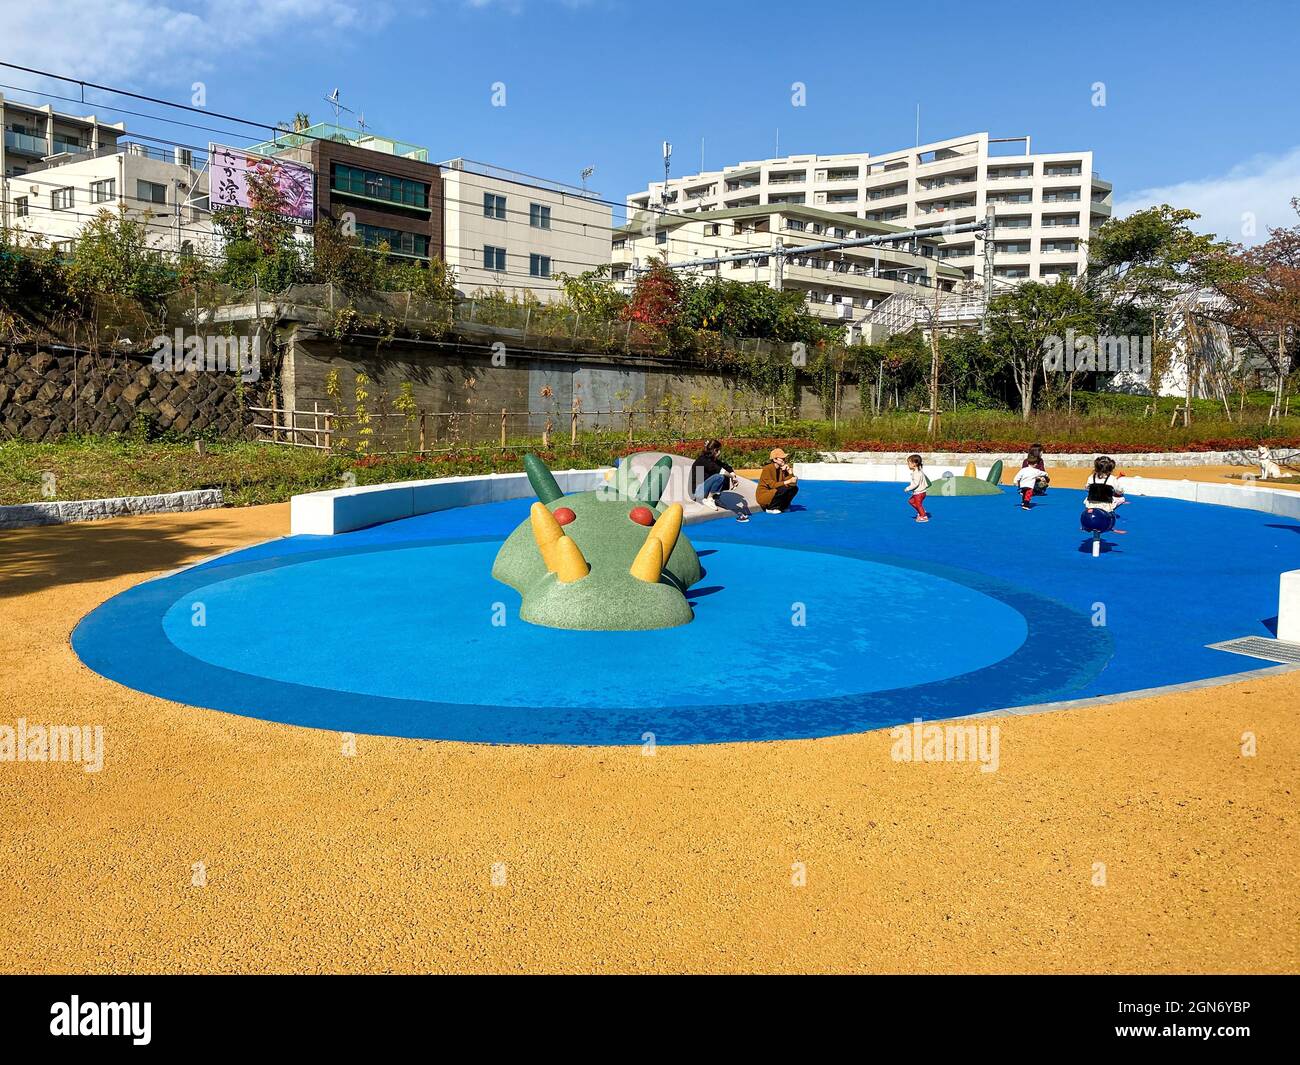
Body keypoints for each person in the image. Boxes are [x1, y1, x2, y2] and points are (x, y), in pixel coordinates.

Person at [690, 438, 750, 521]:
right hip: (697, 492)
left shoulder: (711, 459)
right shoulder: (703, 460)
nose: (720, 452)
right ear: (715, 450)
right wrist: (733, 478)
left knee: (725, 475)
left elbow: (726, 466)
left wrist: (733, 475)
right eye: (719, 450)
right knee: (720, 476)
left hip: (703, 488)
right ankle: (709, 499)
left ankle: (716, 497)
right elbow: (721, 471)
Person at [757, 447, 799, 513]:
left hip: (775, 491)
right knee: (784, 488)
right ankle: (770, 508)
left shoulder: (782, 468)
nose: (784, 460)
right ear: (775, 459)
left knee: (794, 488)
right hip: (765, 495)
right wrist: (788, 481)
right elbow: (772, 485)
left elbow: (793, 483)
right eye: (782, 458)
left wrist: (790, 472)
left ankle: (783, 507)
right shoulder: (767, 469)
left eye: (784, 458)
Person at [904, 453, 930, 522]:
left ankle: (924, 517)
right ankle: (921, 511)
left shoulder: (917, 473)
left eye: (909, 463)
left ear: (914, 464)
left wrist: (908, 488)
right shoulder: (918, 471)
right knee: (911, 501)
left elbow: (915, 484)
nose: (908, 465)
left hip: (919, 493)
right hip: (919, 493)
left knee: (918, 504)